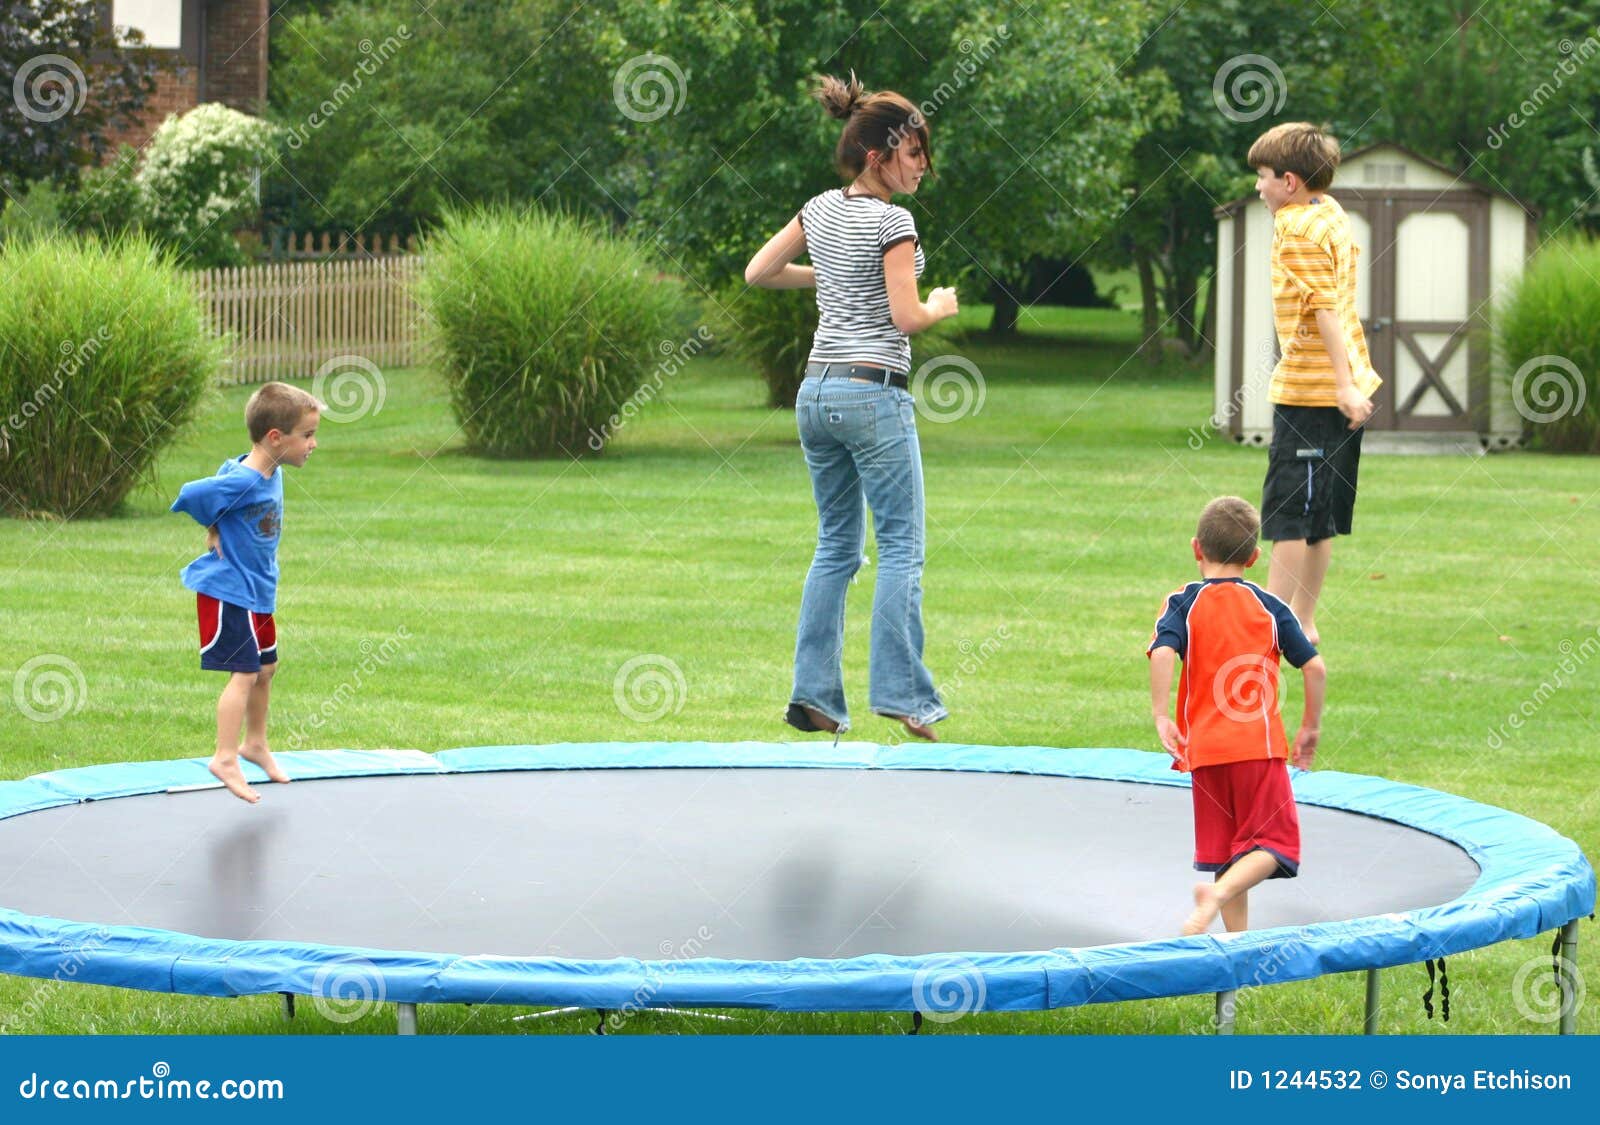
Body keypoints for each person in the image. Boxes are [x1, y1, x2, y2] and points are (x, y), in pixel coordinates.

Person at [744, 71, 958, 742]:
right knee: (901, 546)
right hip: (872, 394)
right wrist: (939, 304)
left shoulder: (819, 208)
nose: (922, 166)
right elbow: (906, 316)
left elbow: (758, 272)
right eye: (914, 153)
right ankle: (903, 694)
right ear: (877, 155)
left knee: (836, 545)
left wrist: (831, 272)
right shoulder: (895, 221)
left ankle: (813, 696)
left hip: (815, 394)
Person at [1147, 496, 1326, 935]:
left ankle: (1234, 943)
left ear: (1196, 548)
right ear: (1254, 556)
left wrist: (1161, 715)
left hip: (1204, 752)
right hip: (1256, 749)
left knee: (1230, 852)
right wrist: (1310, 726)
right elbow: (1315, 667)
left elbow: (1163, 652)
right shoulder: (1269, 605)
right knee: (1277, 843)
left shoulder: (1182, 603)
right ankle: (1217, 896)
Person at [1249, 121, 1382, 646]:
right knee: (1319, 513)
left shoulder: (1295, 229)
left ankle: (1272, 627)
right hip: (1340, 387)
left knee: (1287, 513)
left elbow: (1324, 308)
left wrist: (1342, 387)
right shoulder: (1329, 212)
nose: (1258, 187)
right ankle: (1302, 622)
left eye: (1263, 176)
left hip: (1313, 392)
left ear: (1289, 181)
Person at [171, 382, 320, 803]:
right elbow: (192, 494)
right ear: (276, 437)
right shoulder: (243, 479)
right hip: (228, 590)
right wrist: (211, 525)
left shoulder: (269, 468)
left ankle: (254, 743)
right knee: (246, 672)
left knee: (267, 667)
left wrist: (217, 523)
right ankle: (224, 757)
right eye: (307, 435)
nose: (314, 444)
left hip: (259, 590)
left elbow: (224, 481)